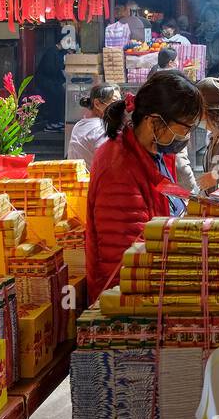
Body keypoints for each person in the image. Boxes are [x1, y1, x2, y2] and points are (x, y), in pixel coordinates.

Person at [85, 70, 204, 300]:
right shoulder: (118, 168)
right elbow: (126, 260)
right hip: (128, 301)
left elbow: (167, 198)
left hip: (155, 285)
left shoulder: (155, 151)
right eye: (185, 127)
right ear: (154, 122)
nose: (187, 135)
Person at [68, 83, 121, 167]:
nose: (120, 107)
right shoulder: (101, 129)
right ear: (97, 104)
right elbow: (109, 163)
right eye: (115, 101)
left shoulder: (79, 124)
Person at [34, 36, 67, 131]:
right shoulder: (51, 52)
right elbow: (51, 69)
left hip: (52, 82)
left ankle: (57, 121)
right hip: (47, 82)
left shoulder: (57, 52)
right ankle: (52, 123)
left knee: (59, 98)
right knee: (55, 100)